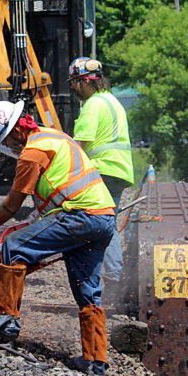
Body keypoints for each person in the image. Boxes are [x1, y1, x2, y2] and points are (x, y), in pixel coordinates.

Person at [0, 100, 116, 376]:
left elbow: (12, 204)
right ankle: (95, 361)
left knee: (12, 247)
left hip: (79, 217)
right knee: (88, 290)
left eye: (6, 141)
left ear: (15, 132)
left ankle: (4, 324)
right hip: (103, 218)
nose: (9, 148)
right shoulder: (55, 136)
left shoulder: (32, 153)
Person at [68, 57, 134, 286]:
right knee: (108, 222)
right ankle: (111, 273)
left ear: (85, 81)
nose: (74, 89)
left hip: (102, 169)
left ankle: (113, 276)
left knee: (102, 223)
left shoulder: (93, 105)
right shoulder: (113, 101)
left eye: (74, 83)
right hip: (119, 170)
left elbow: (80, 147)